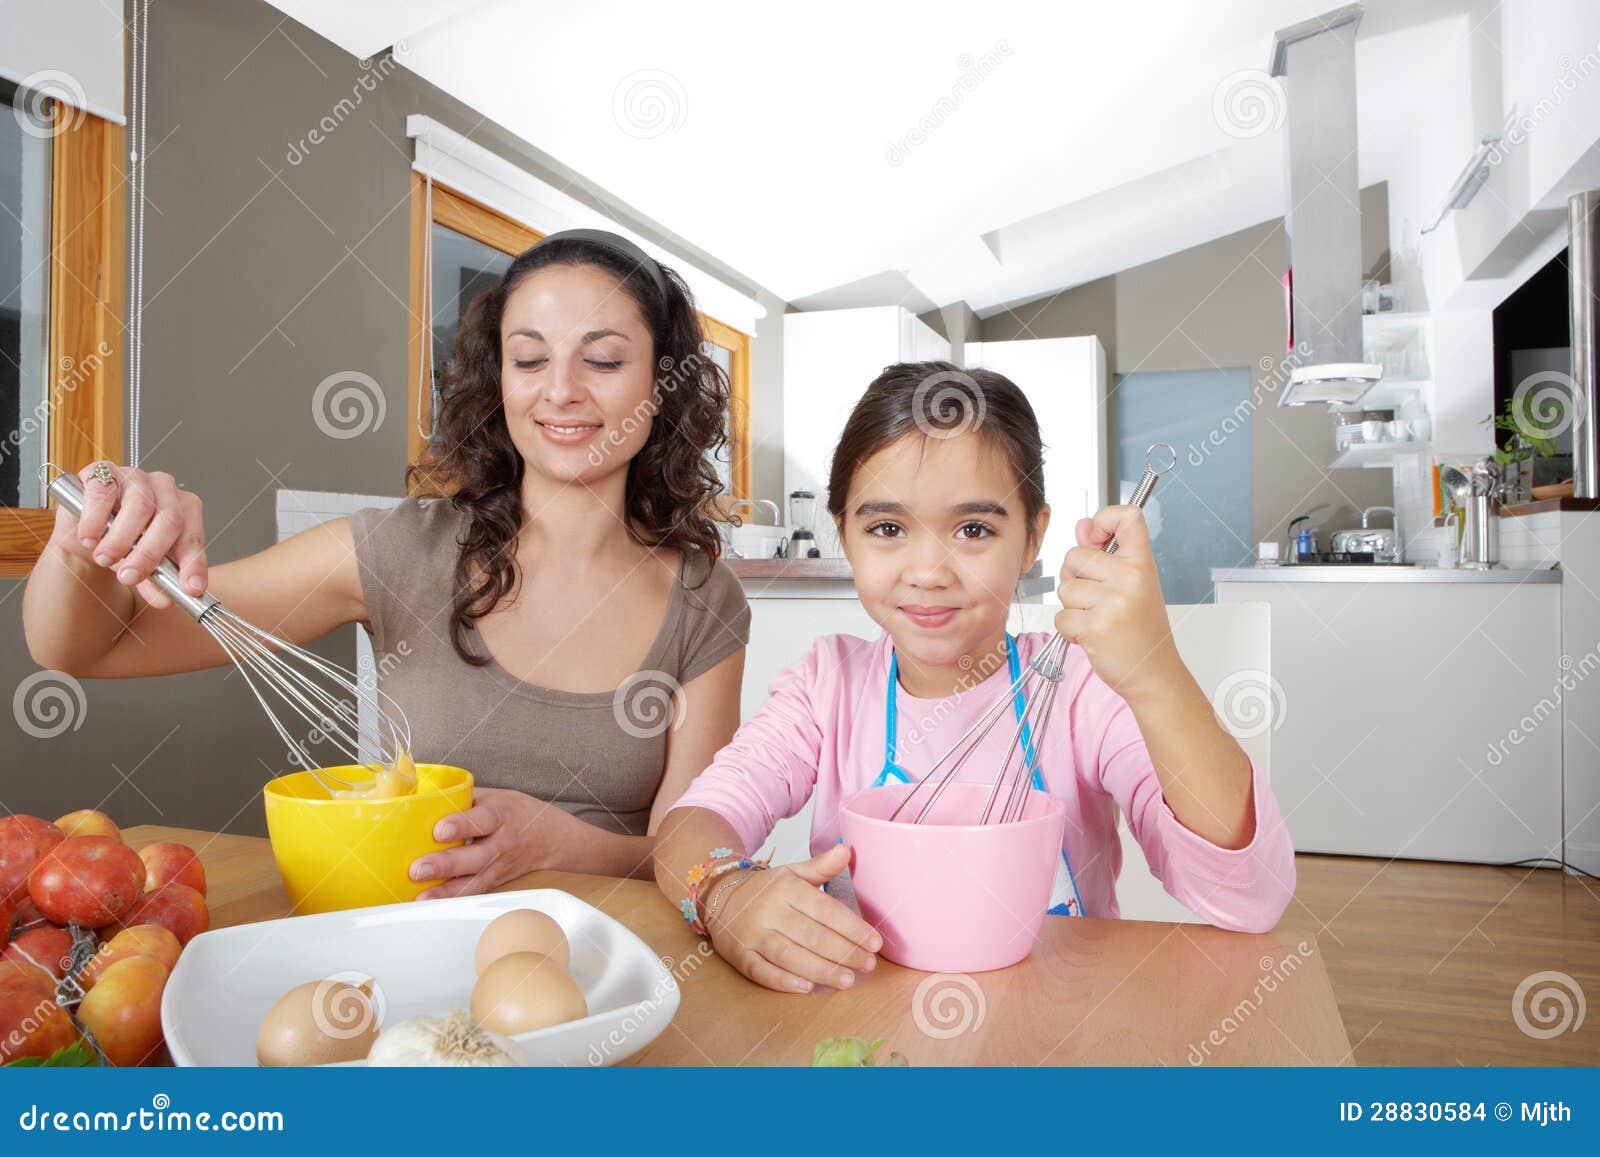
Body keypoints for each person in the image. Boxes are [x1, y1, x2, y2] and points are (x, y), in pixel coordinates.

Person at [23, 230, 749, 894]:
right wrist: (87, 539)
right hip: (410, 956)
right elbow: (85, 646)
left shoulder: (703, 602)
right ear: (498, 378)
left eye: (602, 359)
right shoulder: (399, 552)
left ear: (662, 384)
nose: (560, 389)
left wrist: (558, 844)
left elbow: (685, 852)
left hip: (611, 968)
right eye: (529, 358)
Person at [654, 361, 1294, 993]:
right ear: (844, 535)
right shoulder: (826, 687)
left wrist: (1155, 676)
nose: (929, 569)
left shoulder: (1083, 686)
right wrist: (724, 890)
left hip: (1056, 1032)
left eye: (973, 529)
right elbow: (694, 822)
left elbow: (1249, 896)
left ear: (1031, 538)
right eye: (886, 528)